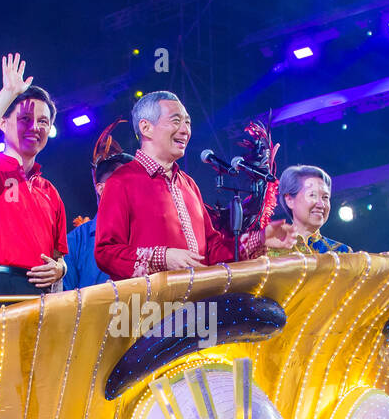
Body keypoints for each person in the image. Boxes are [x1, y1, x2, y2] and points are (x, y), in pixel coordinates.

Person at [94, 91, 293, 279]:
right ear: (146, 128)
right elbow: (105, 253)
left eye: (187, 122)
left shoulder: (188, 184)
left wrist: (259, 239)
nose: (185, 130)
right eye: (176, 121)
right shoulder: (121, 182)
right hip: (149, 309)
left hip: (197, 303)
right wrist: (163, 258)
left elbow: (213, 251)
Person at [0, 54, 68, 315]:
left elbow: (58, 255)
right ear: (3, 123)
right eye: (25, 119)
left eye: (43, 121)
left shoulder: (50, 192)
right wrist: (8, 93)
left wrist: (60, 269)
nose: (35, 127)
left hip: (35, 294)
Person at [63, 122, 131, 291]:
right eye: (124, 181)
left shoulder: (145, 233)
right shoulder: (75, 241)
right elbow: (63, 299)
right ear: (102, 188)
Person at [275, 165, 352, 254]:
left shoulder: (342, 253)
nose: (321, 204)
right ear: (289, 200)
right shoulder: (270, 251)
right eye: (312, 195)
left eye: (325, 197)